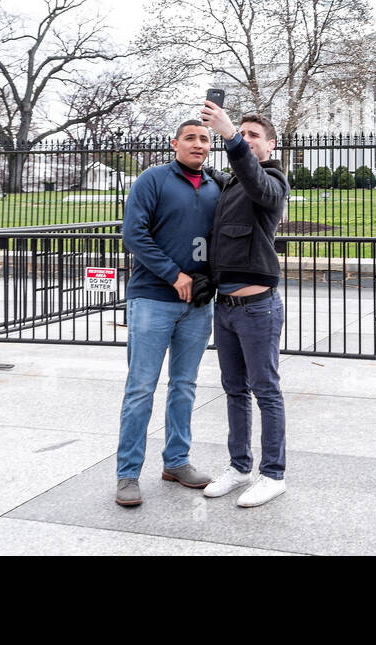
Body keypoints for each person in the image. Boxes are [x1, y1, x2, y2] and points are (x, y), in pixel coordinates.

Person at [115, 120, 221, 508]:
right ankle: (127, 474)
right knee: (141, 388)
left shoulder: (216, 185)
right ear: (175, 143)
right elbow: (133, 234)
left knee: (185, 385)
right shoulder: (153, 180)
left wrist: (210, 279)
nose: (198, 144)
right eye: (190, 138)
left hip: (197, 305)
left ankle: (176, 462)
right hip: (152, 300)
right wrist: (173, 274)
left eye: (205, 139)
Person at [197, 102, 290, 508]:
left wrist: (232, 136)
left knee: (265, 390)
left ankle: (273, 474)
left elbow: (255, 181)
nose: (248, 139)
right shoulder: (232, 183)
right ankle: (239, 467)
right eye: (244, 134)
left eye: (255, 136)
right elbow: (219, 175)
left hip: (258, 308)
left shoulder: (272, 180)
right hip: (225, 307)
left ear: (270, 145)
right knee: (234, 389)